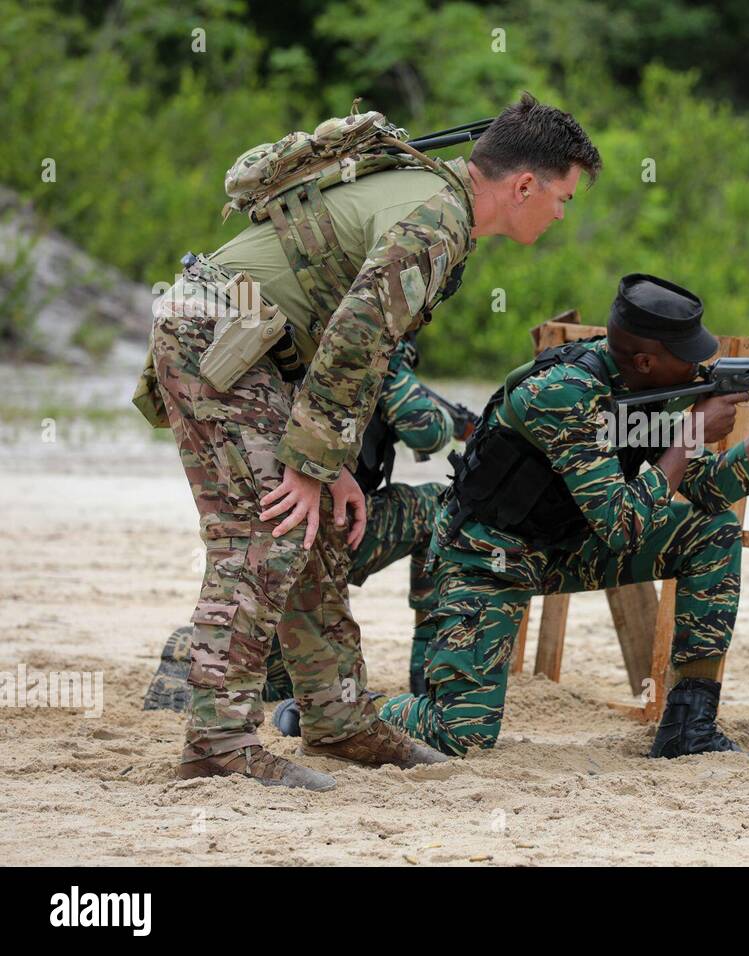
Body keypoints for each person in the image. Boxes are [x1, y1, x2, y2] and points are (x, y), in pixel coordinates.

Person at [133, 94, 602, 790]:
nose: (563, 214)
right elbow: (359, 332)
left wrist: (331, 467)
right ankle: (219, 748)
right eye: (563, 197)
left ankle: (338, 721)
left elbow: (346, 336)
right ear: (524, 185)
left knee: (311, 528)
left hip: (253, 346)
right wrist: (310, 461)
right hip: (221, 339)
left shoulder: (434, 198)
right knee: (261, 538)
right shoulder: (436, 218)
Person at [373, 274, 749, 759]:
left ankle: (688, 727)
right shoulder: (563, 393)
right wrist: (689, 434)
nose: (703, 368)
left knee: (711, 532)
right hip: (488, 561)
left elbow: (709, 489)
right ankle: (343, 708)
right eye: (690, 360)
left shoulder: (642, 391)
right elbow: (622, 525)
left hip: (565, 547)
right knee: (459, 735)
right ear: (645, 361)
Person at [142, 335, 474, 720]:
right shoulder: (374, 351)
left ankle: (197, 657)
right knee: (440, 507)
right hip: (328, 524)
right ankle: (429, 672)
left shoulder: (296, 342)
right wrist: (449, 418)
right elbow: (426, 431)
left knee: (282, 667)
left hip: (271, 533)